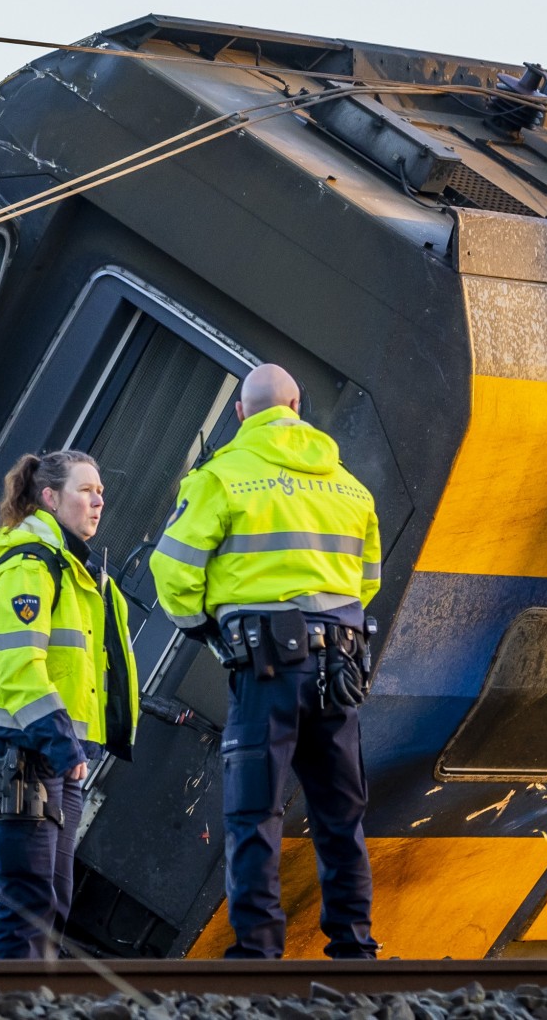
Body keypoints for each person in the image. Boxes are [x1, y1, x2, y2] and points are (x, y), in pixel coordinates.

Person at [149, 363, 381, 959]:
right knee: (341, 813)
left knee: (255, 810)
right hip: (341, 668)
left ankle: (257, 951)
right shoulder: (350, 488)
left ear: (240, 413)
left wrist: (206, 627)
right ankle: (355, 946)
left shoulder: (220, 477)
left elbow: (171, 570)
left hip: (267, 666)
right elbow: (368, 581)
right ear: (298, 408)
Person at [0, 449, 139, 959]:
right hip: (24, 754)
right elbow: (19, 670)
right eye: (86, 491)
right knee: (29, 903)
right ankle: (10, 1000)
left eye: (101, 492)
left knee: (52, 904)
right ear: (49, 497)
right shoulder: (28, 567)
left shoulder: (81, 575)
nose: (99, 502)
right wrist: (64, 745)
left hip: (62, 759)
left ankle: (34, 996)